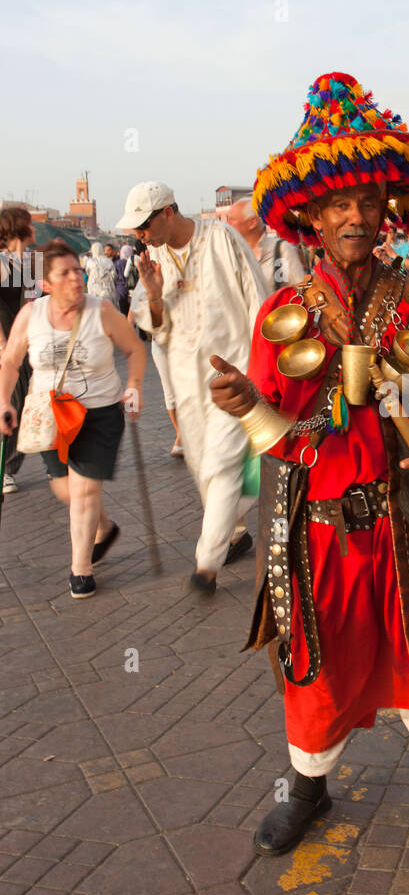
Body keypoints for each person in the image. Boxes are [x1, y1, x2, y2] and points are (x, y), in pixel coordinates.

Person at [210, 71, 409, 857]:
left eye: (369, 202)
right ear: (310, 217)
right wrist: (242, 404)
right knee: (313, 659)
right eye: (340, 205)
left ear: (389, 211)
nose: (357, 217)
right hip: (318, 526)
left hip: (408, 523)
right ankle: (308, 791)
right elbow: (276, 437)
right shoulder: (279, 313)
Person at [120, 181, 268, 592]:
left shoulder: (220, 238)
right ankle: (234, 529)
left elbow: (257, 298)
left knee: (221, 466)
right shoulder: (154, 261)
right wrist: (152, 295)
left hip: (231, 377)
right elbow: (155, 326)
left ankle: (206, 565)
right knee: (204, 469)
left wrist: (262, 368)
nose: (139, 236)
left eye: (143, 225)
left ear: (168, 211)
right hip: (187, 384)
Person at [0, 240, 145, 597]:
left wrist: (134, 386)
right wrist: (4, 400)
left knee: (83, 489)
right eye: (64, 274)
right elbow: (10, 361)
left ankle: (81, 569)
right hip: (50, 414)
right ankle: (104, 527)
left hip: (99, 412)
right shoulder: (31, 315)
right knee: (63, 486)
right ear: (46, 284)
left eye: (77, 272)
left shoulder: (103, 311)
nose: (76, 279)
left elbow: (135, 349)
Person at [0, 205, 35, 495]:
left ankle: (10, 464)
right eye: (29, 223)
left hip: (23, 340)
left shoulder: (31, 261)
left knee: (23, 401)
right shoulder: (1, 260)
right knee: (12, 400)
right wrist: (2, 344)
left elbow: (31, 303)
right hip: (4, 341)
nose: (34, 228)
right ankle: (5, 469)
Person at [223, 197, 306, 294]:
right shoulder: (230, 254)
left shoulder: (281, 251)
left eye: (232, 219)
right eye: (228, 219)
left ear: (252, 223)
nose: (227, 224)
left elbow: (300, 290)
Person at [82, 242, 119, 306]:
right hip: (108, 291)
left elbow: (88, 272)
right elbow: (114, 276)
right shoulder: (108, 261)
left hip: (93, 291)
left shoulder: (90, 262)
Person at [104, 242, 130, 315]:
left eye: (108, 250)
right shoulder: (106, 262)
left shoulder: (119, 262)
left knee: (123, 311)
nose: (106, 252)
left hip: (120, 290)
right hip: (113, 291)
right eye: (105, 250)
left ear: (113, 251)